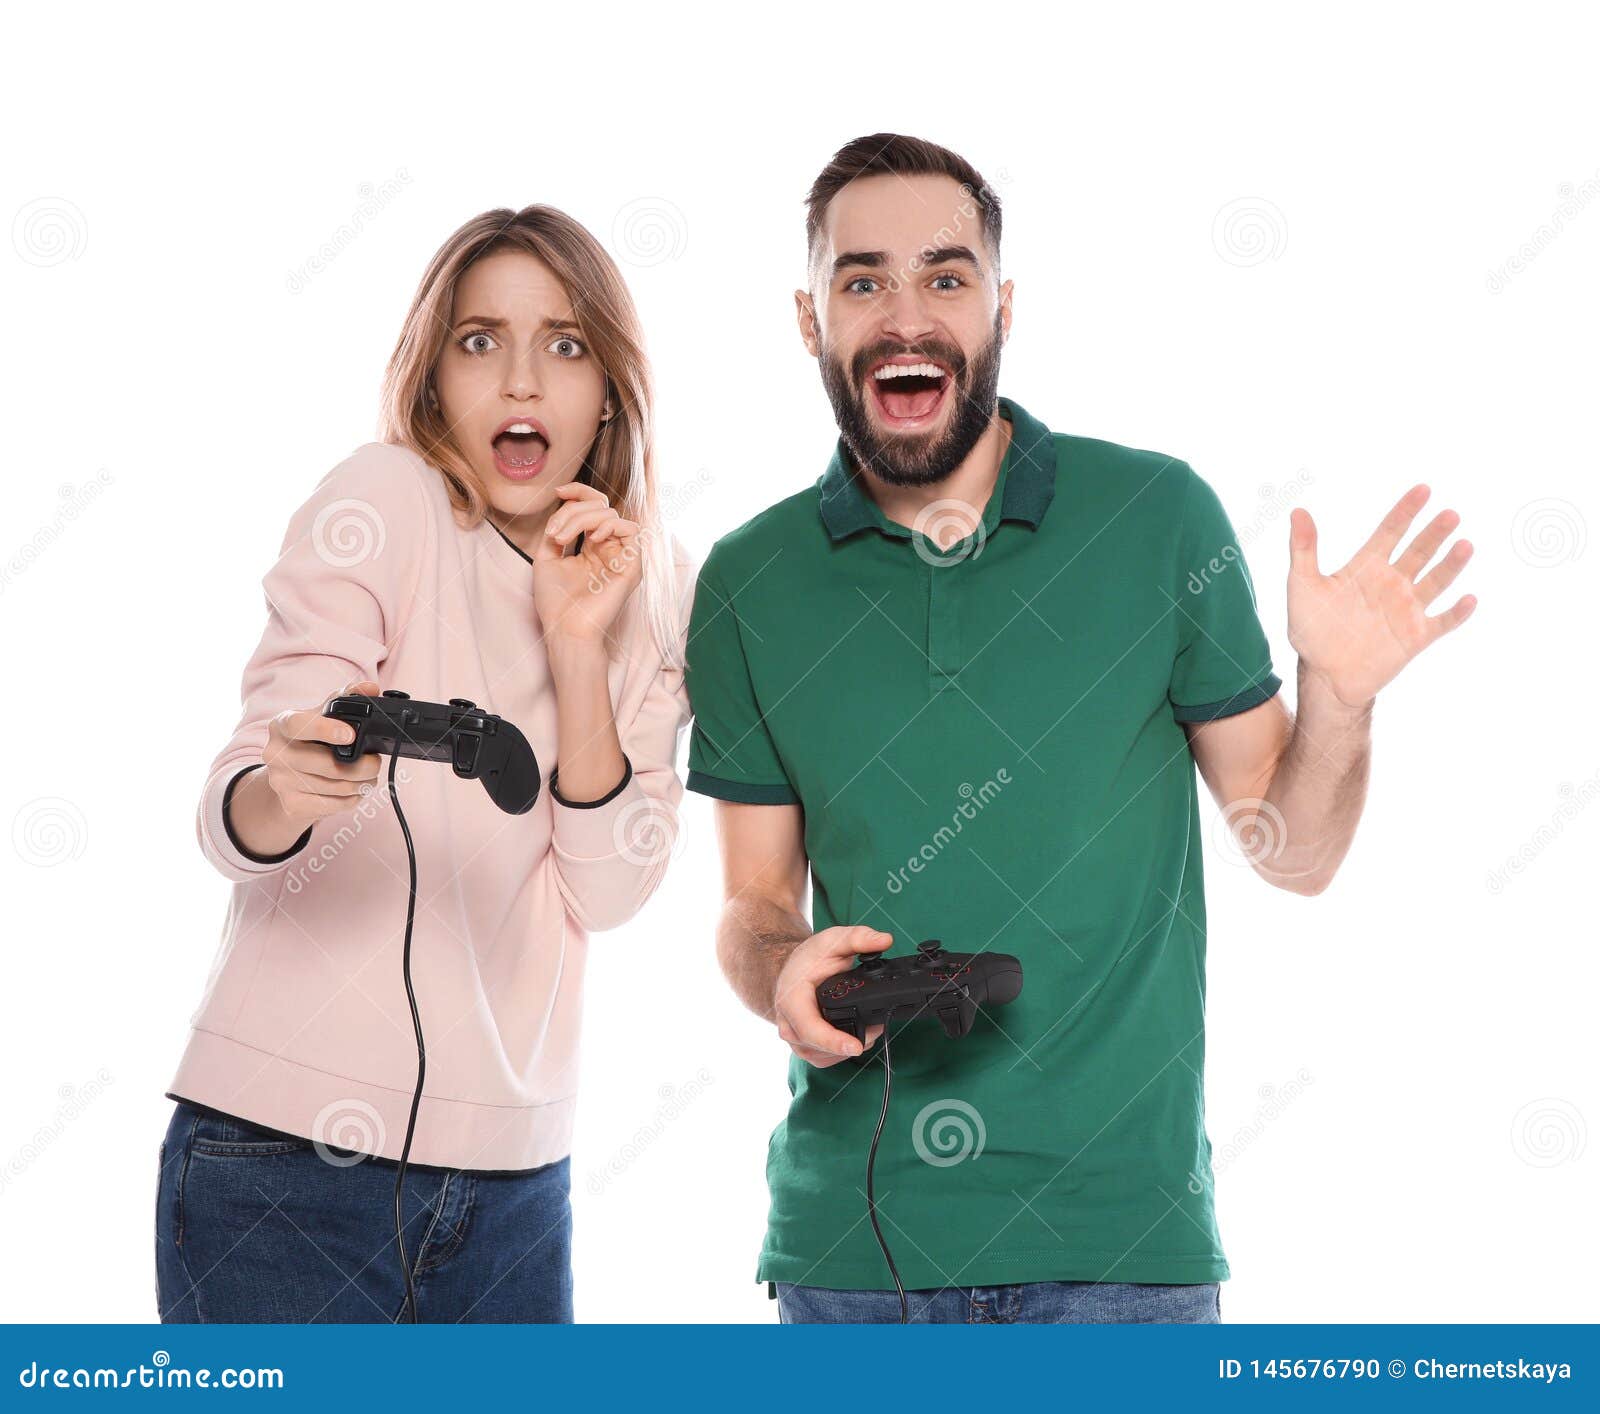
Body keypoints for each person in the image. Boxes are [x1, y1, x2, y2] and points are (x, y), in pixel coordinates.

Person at [684, 134, 1476, 1324]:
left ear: (1003, 306)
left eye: (946, 278)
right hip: (853, 1262)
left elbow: (1295, 852)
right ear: (809, 318)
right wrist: (775, 969)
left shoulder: (1156, 518)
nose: (906, 317)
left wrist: (1342, 701)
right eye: (863, 281)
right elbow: (751, 909)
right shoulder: (750, 579)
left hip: (1120, 1256)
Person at [155, 205, 694, 1323]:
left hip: (514, 1183)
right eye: (479, 340)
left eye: (565, 343)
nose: (521, 383)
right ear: (434, 374)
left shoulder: (654, 587)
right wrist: (281, 792)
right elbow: (242, 798)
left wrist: (577, 645)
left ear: (608, 390)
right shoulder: (385, 499)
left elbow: (610, 886)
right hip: (278, 1162)